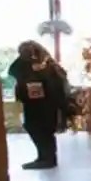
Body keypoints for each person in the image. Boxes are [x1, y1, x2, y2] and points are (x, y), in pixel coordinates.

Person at [8, 41, 69, 170]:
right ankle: (42, 157)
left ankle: (49, 159)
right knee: (33, 128)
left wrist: (41, 71)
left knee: (45, 130)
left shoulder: (48, 64)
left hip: (46, 104)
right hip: (31, 105)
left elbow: (57, 83)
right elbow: (12, 71)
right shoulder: (25, 65)